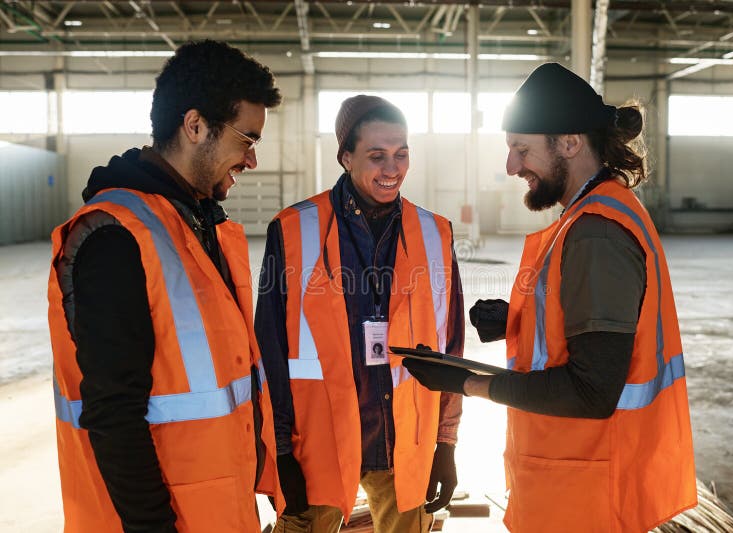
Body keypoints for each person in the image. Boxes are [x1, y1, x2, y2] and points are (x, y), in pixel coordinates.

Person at [402, 63, 697, 532]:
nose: (511, 166)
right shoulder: (590, 216)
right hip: (575, 480)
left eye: (522, 149)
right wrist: (520, 318)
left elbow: (591, 391)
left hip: (586, 492)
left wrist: (466, 382)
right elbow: (585, 323)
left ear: (570, 142)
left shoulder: (595, 233)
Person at [48, 40, 282, 532]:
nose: (251, 160)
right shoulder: (115, 236)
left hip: (216, 511)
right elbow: (114, 415)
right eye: (247, 139)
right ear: (196, 126)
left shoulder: (196, 224)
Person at [255, 95, 465, 532]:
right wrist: (279, 452)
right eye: (377, 156)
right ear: (345, 156)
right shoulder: (294, 230)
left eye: (401, 154)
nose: (393, 169)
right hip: (318, 447)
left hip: (405, 445)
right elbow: (269, 351)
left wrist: (445, 443)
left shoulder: (434, 232)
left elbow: (451, 346)